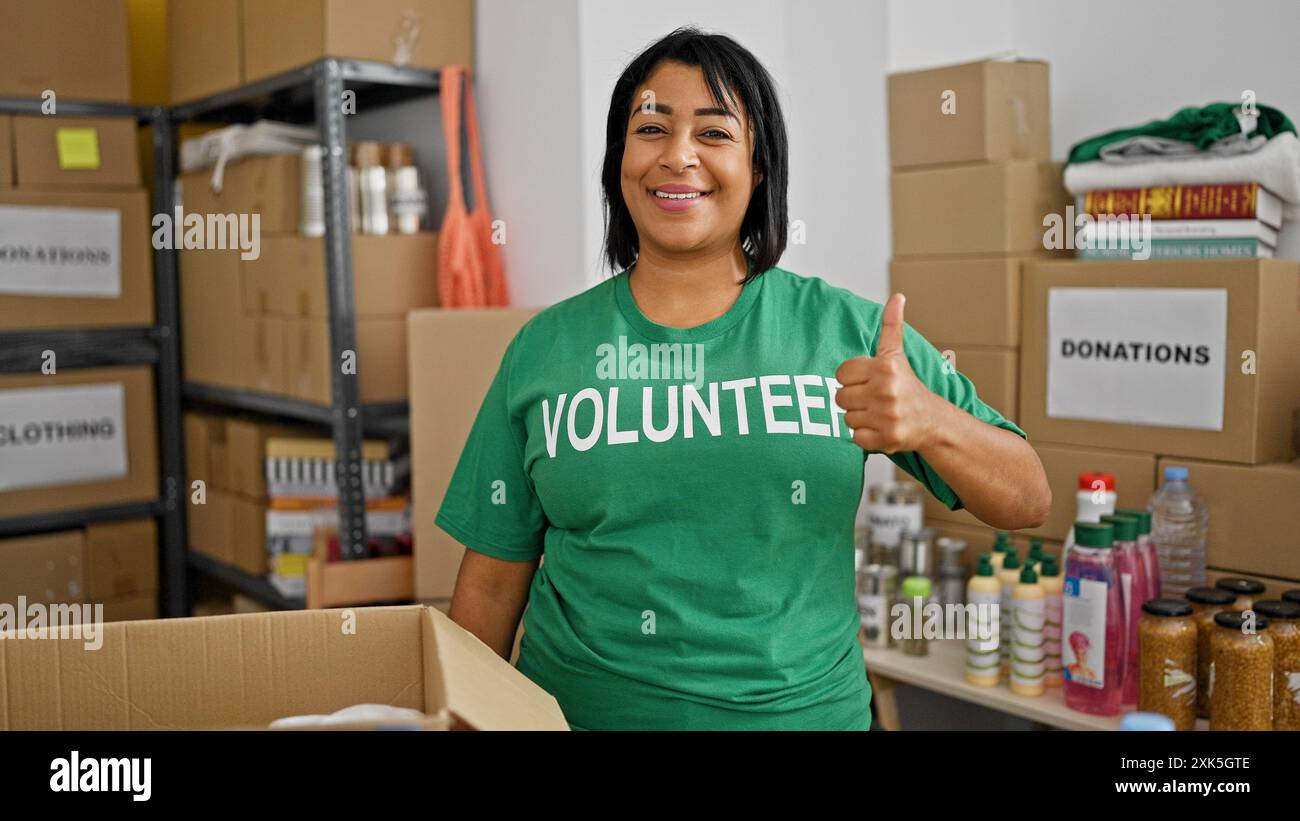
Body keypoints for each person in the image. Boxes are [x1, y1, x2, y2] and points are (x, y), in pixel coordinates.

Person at [436, 27, 1051, 730]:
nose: (678, 155)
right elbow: (488, 584)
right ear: (618, 162)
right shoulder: (543, 350)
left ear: (759, 168)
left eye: (715, 132)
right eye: (651, 127)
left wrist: (931, 421)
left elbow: (1027, 496)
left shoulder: (845, 331)